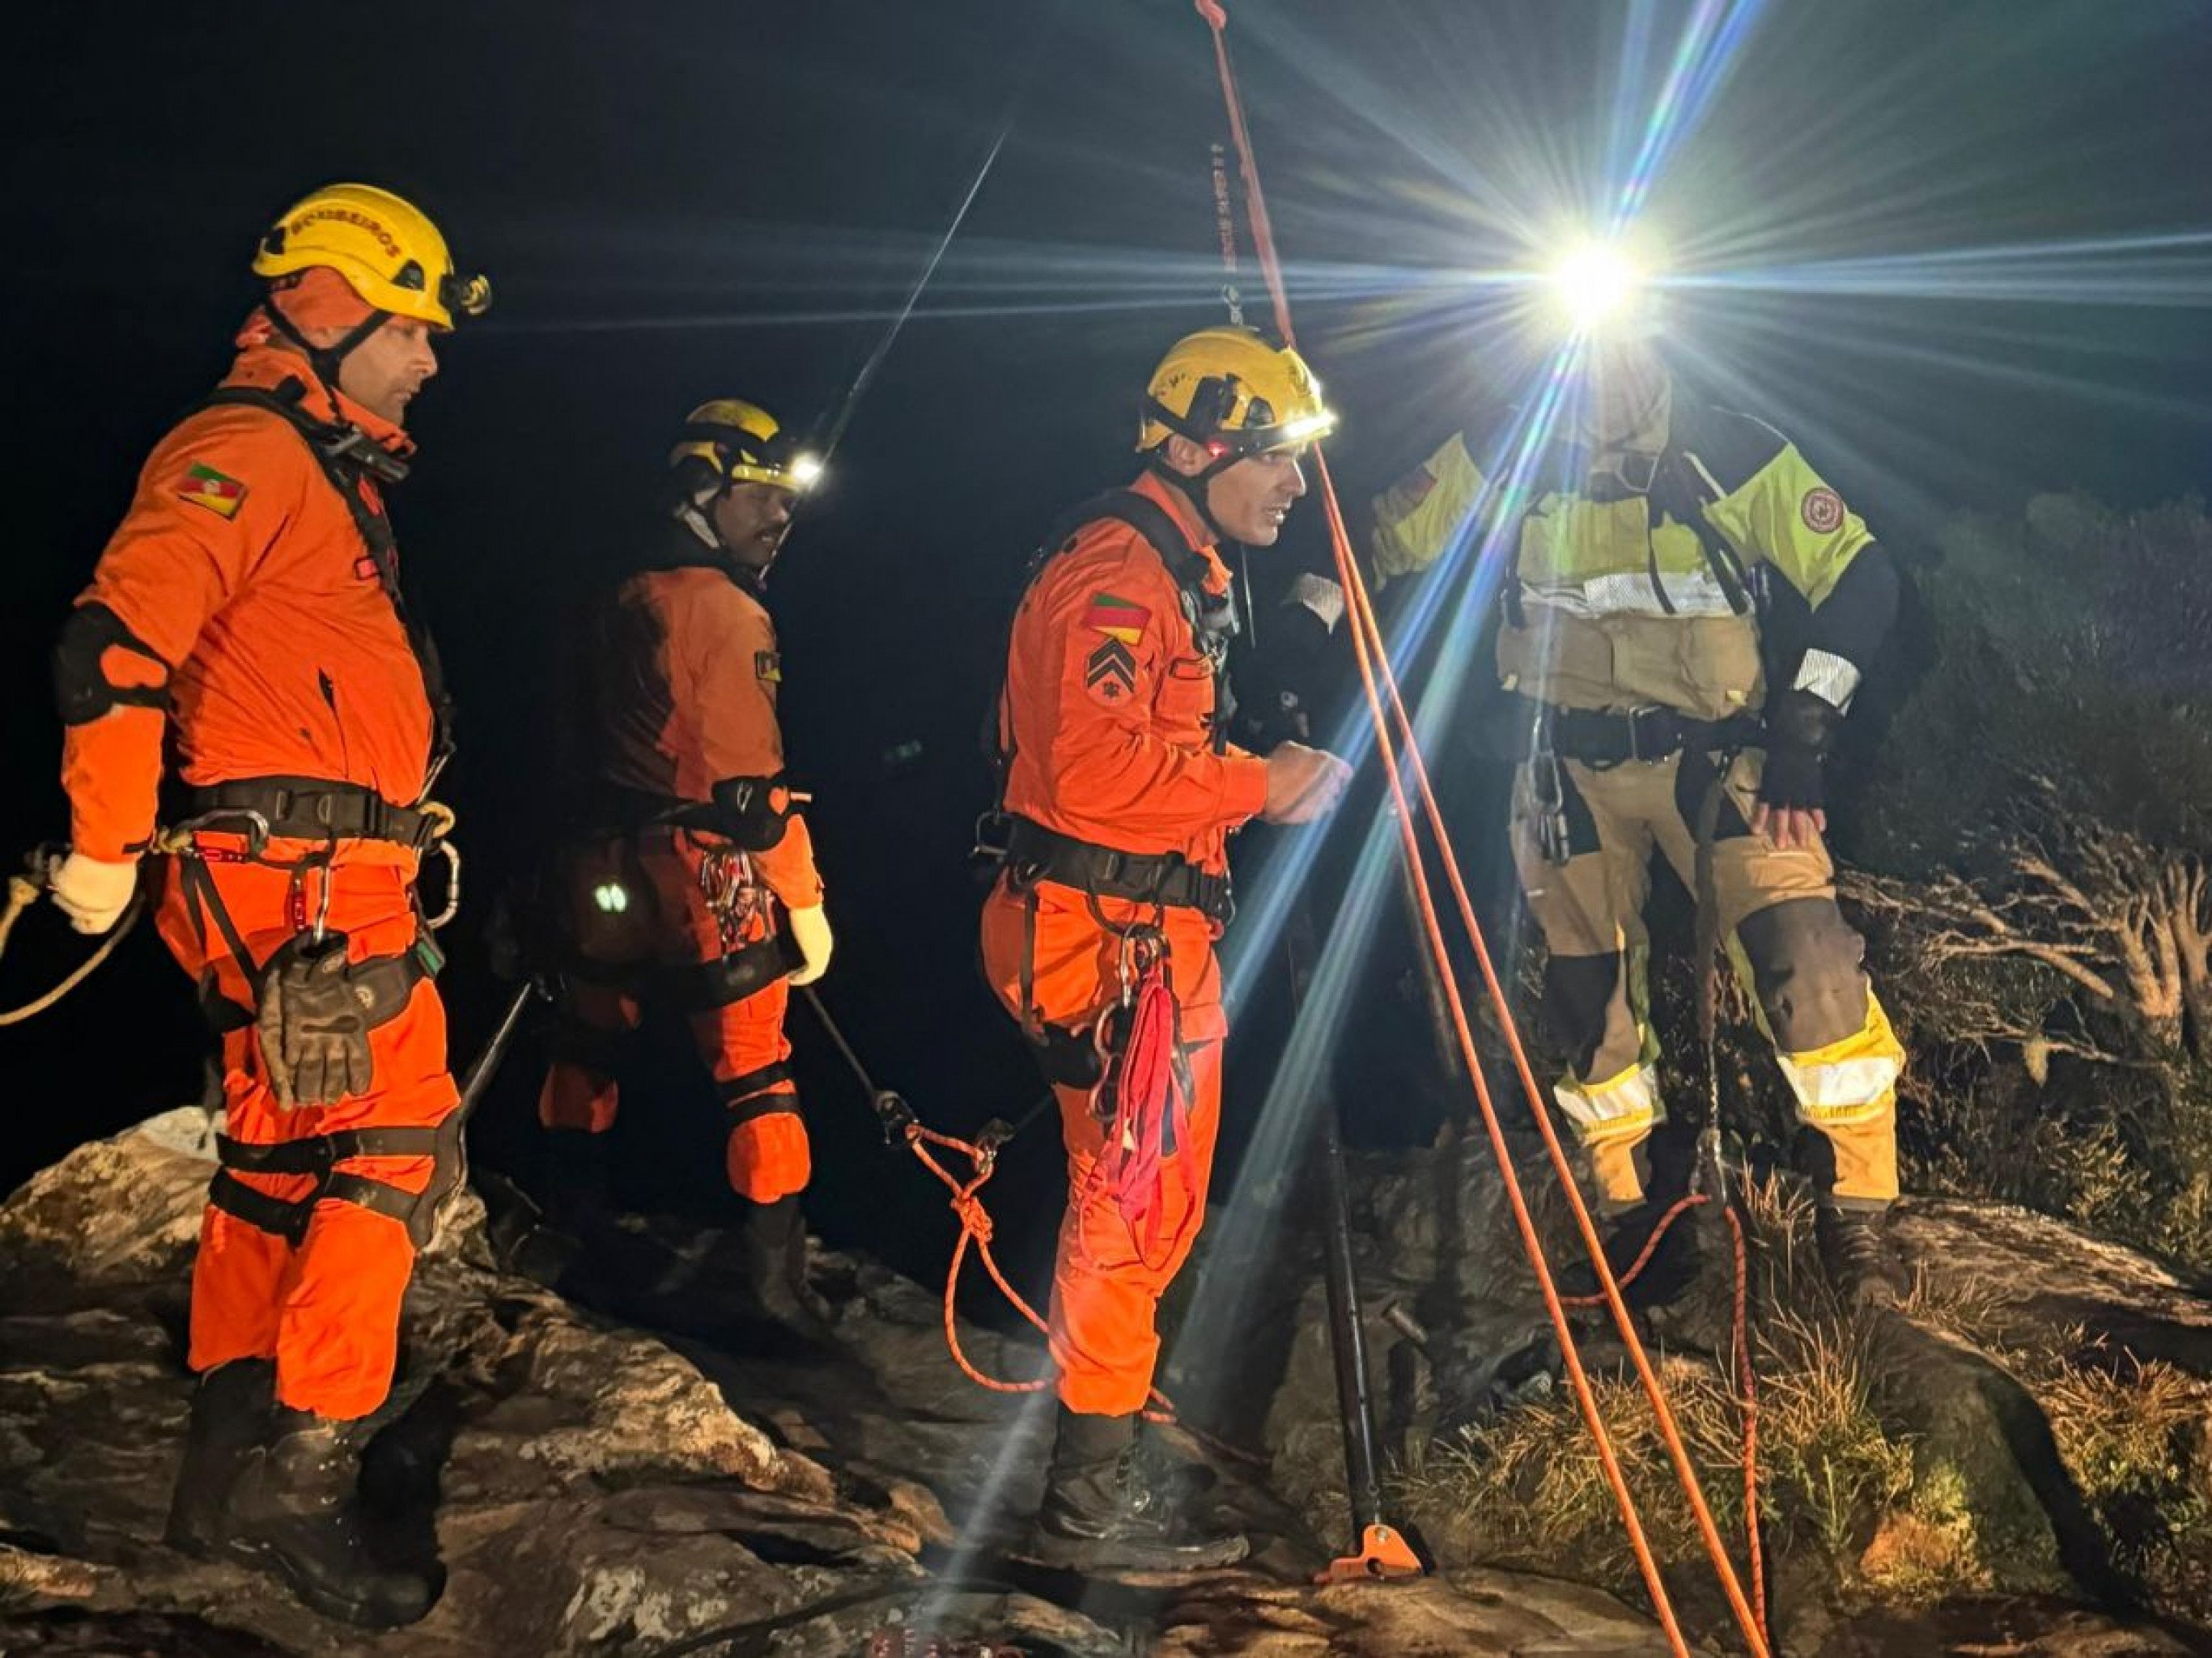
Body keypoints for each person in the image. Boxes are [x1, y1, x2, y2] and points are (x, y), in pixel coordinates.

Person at [49, 182, 489, 1626]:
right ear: (331, 298)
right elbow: (115, 640)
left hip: (311, 874)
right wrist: (104, 840)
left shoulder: (324, 466)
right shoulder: (247, 449)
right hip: (293, 885)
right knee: (398, 1138)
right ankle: (308, 1464)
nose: (429, 357)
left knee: (280, 1156)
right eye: (412, 327)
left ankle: (219, 1468)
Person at [1369, 274, 1908, 1307]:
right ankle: (1634, 1218)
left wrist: (1805, 725)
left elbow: (1862, 577)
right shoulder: (1503, 453)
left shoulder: (1729, 449)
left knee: (1811, 964)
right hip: (1564, 774)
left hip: (1721, 763)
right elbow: (1379, 541)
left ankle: (1860, 1222)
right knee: (1590, 1009)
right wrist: (1294, 589)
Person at [980, 325, 1353, 1571]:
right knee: (1136, 1211)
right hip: (1112, 939)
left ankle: (1096, 1459)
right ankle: (1083, 1510)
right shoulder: (1122, 572)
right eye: (1275, 457)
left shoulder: (1173, 564)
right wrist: (1264, 783)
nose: (1295, 486)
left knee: (1125, 1204)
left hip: (1115, 928)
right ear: (1198, 448)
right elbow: (1093, 769)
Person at [533, 399, 834, 1334]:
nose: (780, 517)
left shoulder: (611, 598)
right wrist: (805, 898)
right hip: (707, 868)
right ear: (705, 489)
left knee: (588, 1041)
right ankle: (777, 1289)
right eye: (762, 496)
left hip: (600, 859)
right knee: (756, 1072)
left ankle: (572, 1232)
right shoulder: (728, 610)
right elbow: (752, 786)